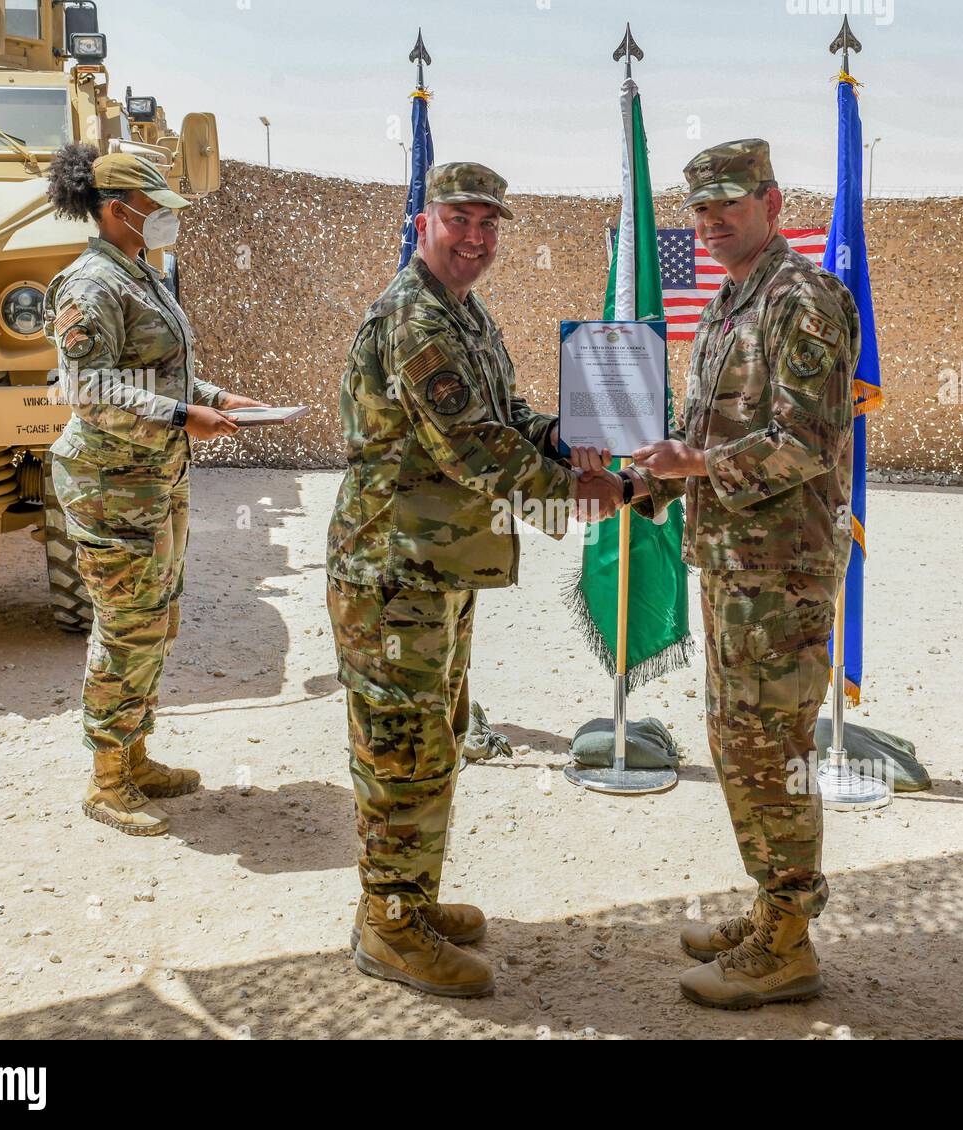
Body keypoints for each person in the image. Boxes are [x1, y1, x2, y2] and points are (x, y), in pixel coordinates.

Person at [326, 161, 621, 997]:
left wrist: (559, 435)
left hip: (437, 568)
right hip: (394, 572)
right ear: (425, 220)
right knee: (401, 747)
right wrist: (580, 494)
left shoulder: (465, 312)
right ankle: (388, 925)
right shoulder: (417, 320)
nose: (477, 239)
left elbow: (503, 417)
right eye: (461, 219)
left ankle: (408, 897)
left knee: (434, 736)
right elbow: (473, 448)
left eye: (491, 225)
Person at [579, 139, 859, 1008]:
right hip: (735, 566)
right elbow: (711, 434)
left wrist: (692, 464)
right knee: (741, 742)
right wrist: (645, 481)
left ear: (772, 204)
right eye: (700, 208)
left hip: (781, 573)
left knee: (768, 748)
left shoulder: (802, 299)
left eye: (729, 203)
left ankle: (787, 944)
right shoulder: (732, 302)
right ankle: (774, 911)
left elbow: (802, 444)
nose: (711, 220)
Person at [44, 144, 266, 837]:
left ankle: (135, 757)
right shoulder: (90, 285)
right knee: (125, 627)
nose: (167, 219)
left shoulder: (137, 274)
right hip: (112, 484)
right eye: (156, 208)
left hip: (152, 480)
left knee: (153, 621)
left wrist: (216, 396)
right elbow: (88, 388)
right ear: (118, 211)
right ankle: (107, 782)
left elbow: (160, 374)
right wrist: (182, 416)